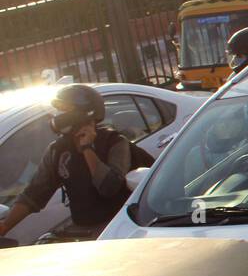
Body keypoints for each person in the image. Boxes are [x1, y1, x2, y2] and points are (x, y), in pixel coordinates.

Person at [0, 84, 144, 240]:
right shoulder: (58, 150)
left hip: (119, 227)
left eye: (65, 109)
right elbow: (34, 194)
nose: (59, 115)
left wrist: (87, 148)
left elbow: (109, 187)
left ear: (86, 112)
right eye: (59, 109)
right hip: (84, 232)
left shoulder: (114, 142)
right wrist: (5, 226)